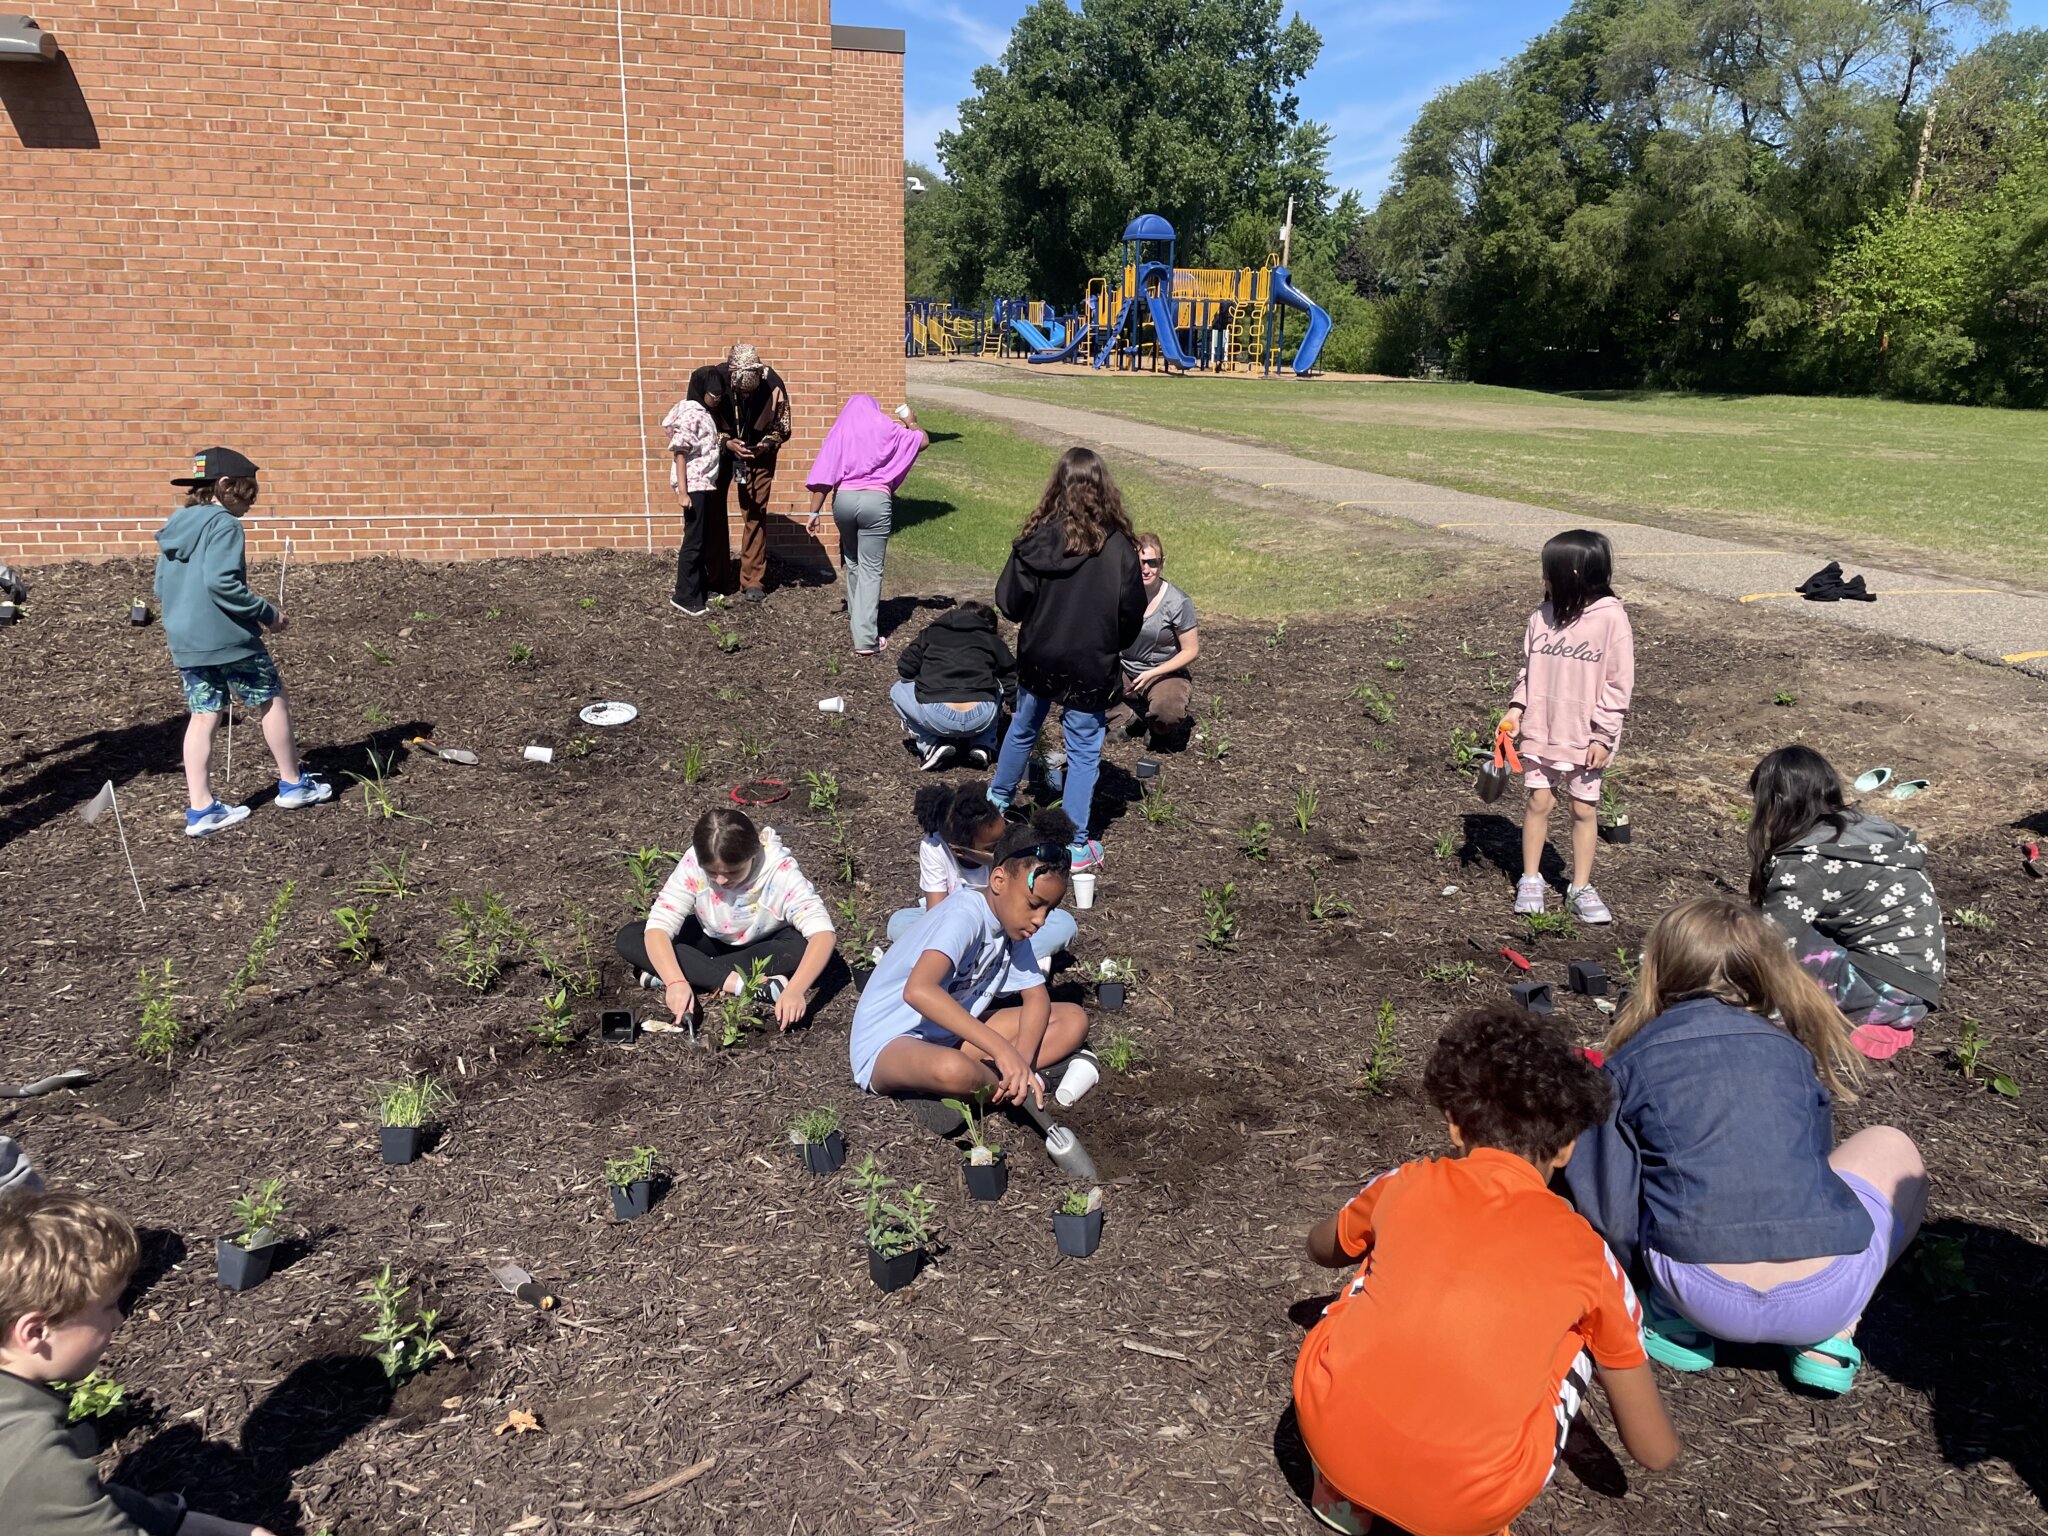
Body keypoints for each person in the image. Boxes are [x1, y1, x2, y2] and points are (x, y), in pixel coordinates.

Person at [1294, 1007, 1679, 1536]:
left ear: (1454, 1122)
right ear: (1566, 1147)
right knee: (1583, 1330)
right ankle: (1471, 1517)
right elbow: (1653, 1453)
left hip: (1326, 1433)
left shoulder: (1407, 1182)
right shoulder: (1590, 1256)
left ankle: (1343, 1498)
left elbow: (1323, 1247)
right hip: (1467, 1502)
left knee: (1374, 1266)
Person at [1565, 897, 1928, 1397]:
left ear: (1660, 969)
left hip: (1696, 1290)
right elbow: (1815, 1169)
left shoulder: (1632, 1060)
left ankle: (1673, 1322)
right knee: (1892, 1144)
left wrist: (1642, 1284)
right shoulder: (1791, 1052)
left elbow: (1610, 1200)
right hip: (1824, 1294)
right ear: (1765, 971)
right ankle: (1833, 1335)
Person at [0, 1188, 276, 1536]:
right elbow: (48, 1486)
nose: (119, 1320)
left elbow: (68, 1500)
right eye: (110, 1306)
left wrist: (172, 1521)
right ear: (36, 1331)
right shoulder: (31, 1458)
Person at [849, 808, 1095, 1164]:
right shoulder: (965, 914)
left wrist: (1021, 1061)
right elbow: (918, 991)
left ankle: (1001, 1084)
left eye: (1049, 911)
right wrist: (1003, 1051)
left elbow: (1037, 998)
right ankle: (990, 1085)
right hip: (890, 1042)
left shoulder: (1013, 925)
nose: (1039, 920)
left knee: (1072, 1020)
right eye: (1034, 905)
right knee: (953, 1070)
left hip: (950, 1034)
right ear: (998, 880)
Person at [154, 448, 333, 838]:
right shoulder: (224, 525)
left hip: (186, 640)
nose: (253, 500)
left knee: (203, 716)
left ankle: (201, 809)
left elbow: (160, 586)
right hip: (228, 637)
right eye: (249, 490)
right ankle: (293, 784)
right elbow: (222, 583)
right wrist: (268, 614)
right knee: (272, 698)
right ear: (224, 486)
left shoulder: (176, 525)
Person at [987, 448, 1146, 873]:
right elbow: (1131, 613)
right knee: (1083, 750)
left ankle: (997, 804)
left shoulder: (1037, 539)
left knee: (1024, 726)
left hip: (1041, 653)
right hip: (1091, 661)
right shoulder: (1119, 548)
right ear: (1103, 489)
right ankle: (1075, 844)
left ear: (1057, 485)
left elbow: (1010, 602)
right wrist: (1116, 643)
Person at [1747, 746, 1945, 1061]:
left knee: (1762, 964)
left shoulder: (1808, 861)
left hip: (1882, 990)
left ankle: (1857, 1017)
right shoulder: (1862, 832)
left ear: (1778, 802)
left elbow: (1769, 946)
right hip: (1918, 985)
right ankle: (1880, 1018)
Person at [1501, 529, 1634, 924]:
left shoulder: (1611, 619)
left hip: (1585, 737)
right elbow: (1529, 672)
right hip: (1542, 730)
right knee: (1539, 802)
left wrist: (1604, 735)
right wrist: (1515, 710)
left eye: (1548, 571)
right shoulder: (1541, 617)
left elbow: (1618, 684)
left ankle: (1580, 886)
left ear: (1573, 573)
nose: (1543, 578)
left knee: (1583, 808)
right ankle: (1530, 879)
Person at [614, 809, 834, 1032]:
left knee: (798, 950)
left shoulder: (779, 871)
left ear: (753, 853)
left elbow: (823, 934)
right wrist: (676, 982)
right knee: (631, 937)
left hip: (762, 945)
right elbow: (660, 923)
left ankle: (690, 971)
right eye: (711, 873)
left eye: (732, 872)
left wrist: (795, 990)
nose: (721, 880)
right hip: (712, 935)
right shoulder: (694, 862)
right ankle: (739, 984)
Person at [884, 783, 1077, 968]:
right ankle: (1002, 961)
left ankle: (977, 963)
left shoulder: (1007, 847)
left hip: (1005, 919)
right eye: (993, 848)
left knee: (1063, 924)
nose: (1002, 846)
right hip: (957, 925)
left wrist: (995, 859)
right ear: (960, 850)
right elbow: (936, 915)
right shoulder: (934, 847)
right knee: (899, 923)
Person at [803, 396, 928, 655]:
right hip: (876, 502)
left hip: (845, 502)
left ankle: (855, 614)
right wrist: (911, 421)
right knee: (871, 569)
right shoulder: (886, 427)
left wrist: (813, 512)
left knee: (853, 561)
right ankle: (866, 640)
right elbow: (922, 441)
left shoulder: (840, 431)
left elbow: (824, 476)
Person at [890, 602, 1015, 770]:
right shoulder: (991, 640)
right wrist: (1016, 709)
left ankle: (930, 746)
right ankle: (984, 744)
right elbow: (1011, 680)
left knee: (898, 689)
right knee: (998, 684)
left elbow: (905, 668)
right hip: (981, 717)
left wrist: (929, 672)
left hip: (937, 715)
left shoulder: (932, 633)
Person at [713, 344, 792, 603]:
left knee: (755, 512)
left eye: (751, 391)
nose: (746, 397)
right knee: (712, 511)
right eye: (741, 393)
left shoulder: (773, 385)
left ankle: (753, 579)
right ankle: (717, 577)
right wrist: (726, 442)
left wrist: (765, 445)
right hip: (724, 452)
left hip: (759, 456)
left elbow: (783, 427)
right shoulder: (717, 381)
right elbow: (705, 421)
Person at [1106, 532, 1198, 749]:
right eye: (1139, 563)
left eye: (1152, 563)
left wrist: (1152, 673)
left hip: (1164, 672)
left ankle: (1159, 729)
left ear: (1162, 563)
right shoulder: (1119, 594)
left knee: (1167, 712)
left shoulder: (1178, 602)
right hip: (1125, 667)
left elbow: (1191, 650)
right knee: (1085, 679)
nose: (1145, 569)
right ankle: (1124, 719)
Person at [660, 366, 726, 616]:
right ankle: (684, 595)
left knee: (703, 538)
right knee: (694, 541)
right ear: (701, 390)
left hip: (705, 484)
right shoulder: (691, 414)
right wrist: (682, 492)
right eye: (713, 393)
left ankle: (698, 587)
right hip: (694, 486)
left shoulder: (705, 413)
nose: (717, 398)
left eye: (720, 394)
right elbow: (680, 453)